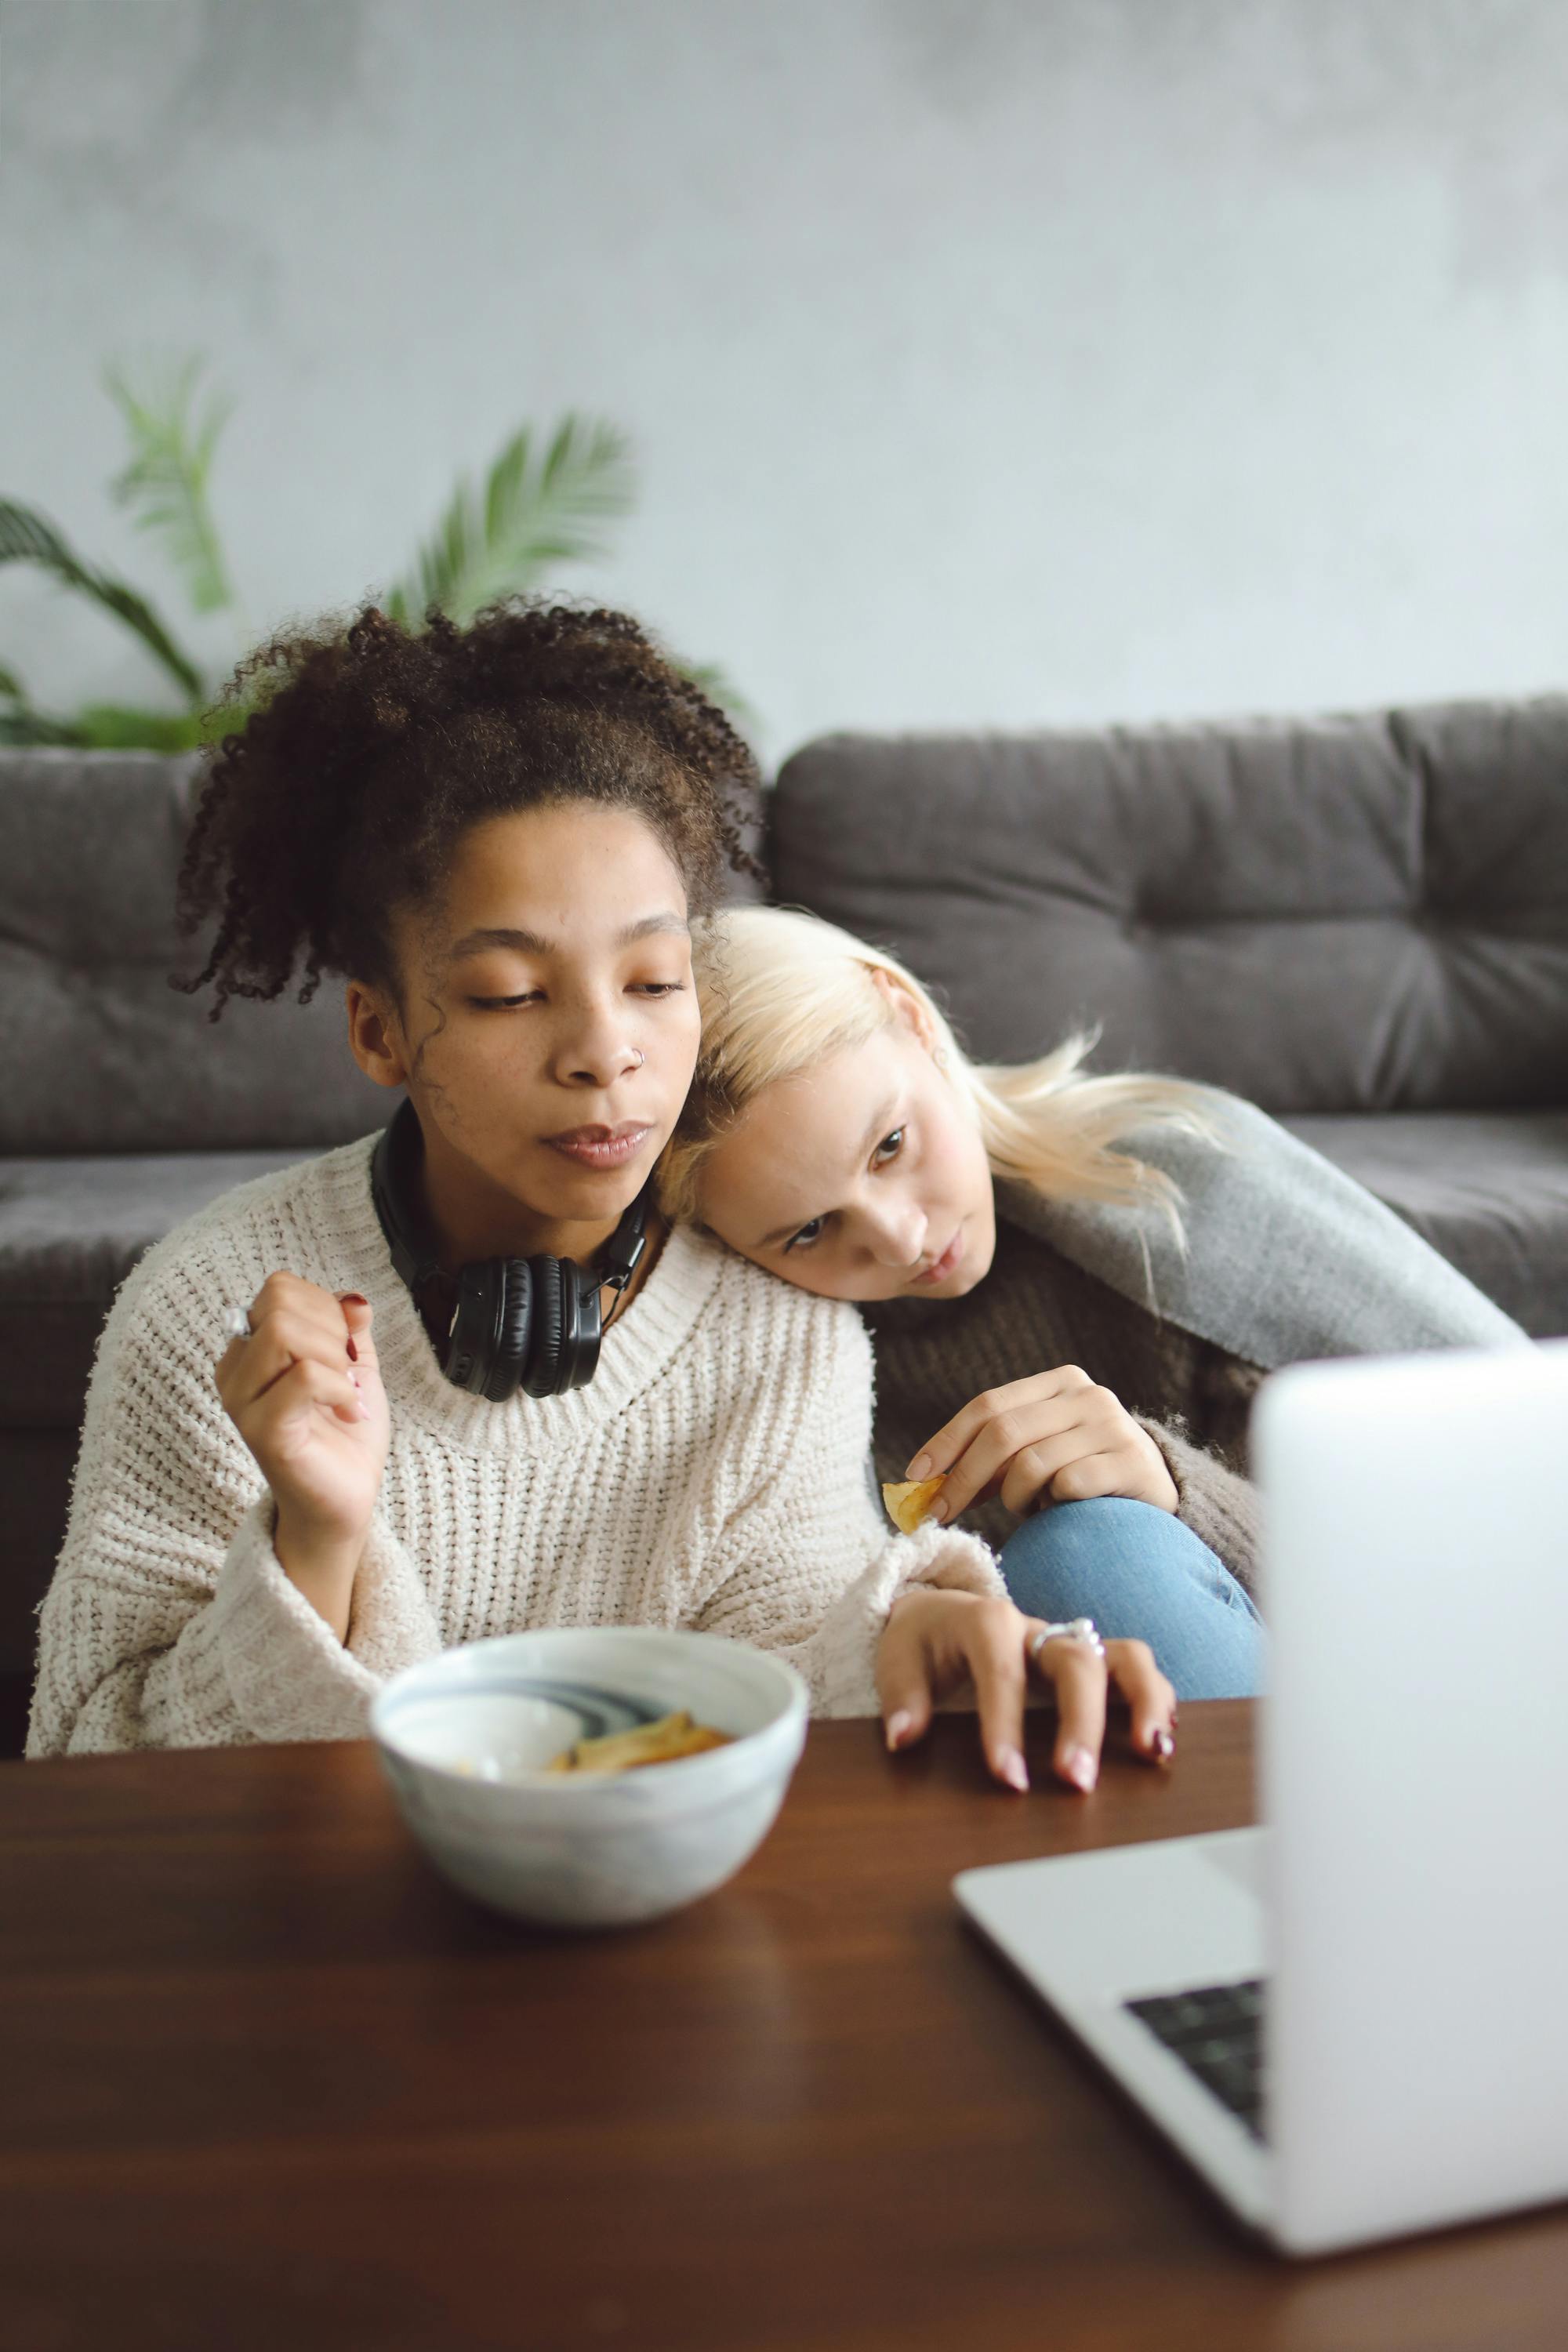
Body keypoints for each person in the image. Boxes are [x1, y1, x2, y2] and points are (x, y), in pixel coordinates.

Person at [27, 604, 1177, 1795]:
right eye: (511, 994)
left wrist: (915, 1640)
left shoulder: (777, 1325)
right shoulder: (208, 1305)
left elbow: (797, 1650)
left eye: (654, 981)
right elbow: (83, 1765)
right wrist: (317, 1546)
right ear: (378, 1030)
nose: (603, 1052)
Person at [660, 906, 1526, 1699]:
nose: (900, 1239)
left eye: (890, 1145)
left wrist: (1178, 1493)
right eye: (809, 1231)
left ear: (912, 1020)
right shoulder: (773, 1378)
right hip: (1043, 1760)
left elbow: (1504, 1504)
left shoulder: (1180, 1182)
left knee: (1086, 1554)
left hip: (1398, 1671)